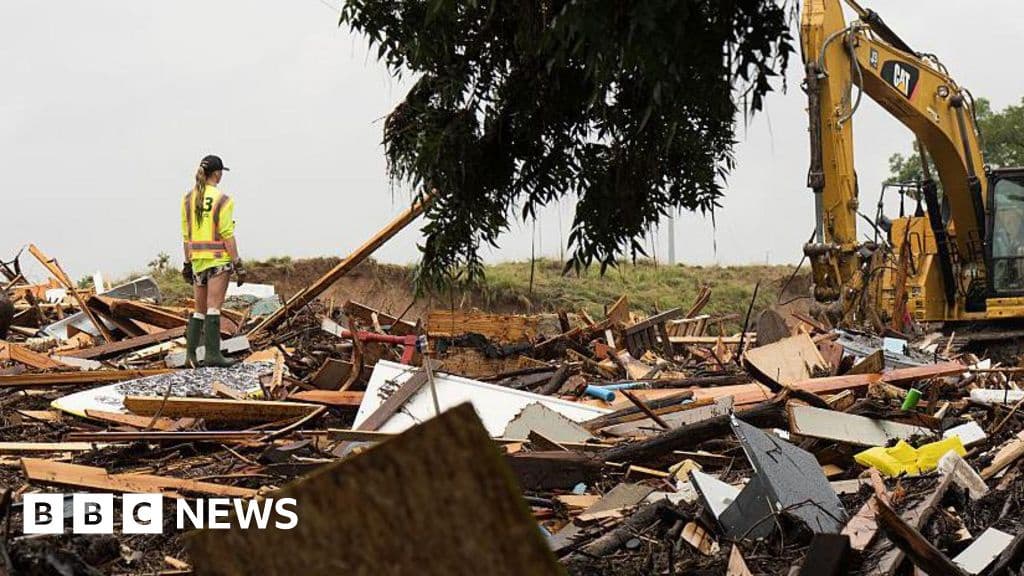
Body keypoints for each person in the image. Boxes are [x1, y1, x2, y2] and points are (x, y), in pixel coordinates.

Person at [180, 154, 247, 367]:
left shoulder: (188, 200)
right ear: (217, 174)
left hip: (197, 261)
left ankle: (190, 356)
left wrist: (187, 263)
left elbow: (186, 236)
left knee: (199, 310)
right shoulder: (223, 200)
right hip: (218, 260)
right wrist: (238, 263)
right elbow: (227, 233)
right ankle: (212, 355)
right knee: (214, 308)